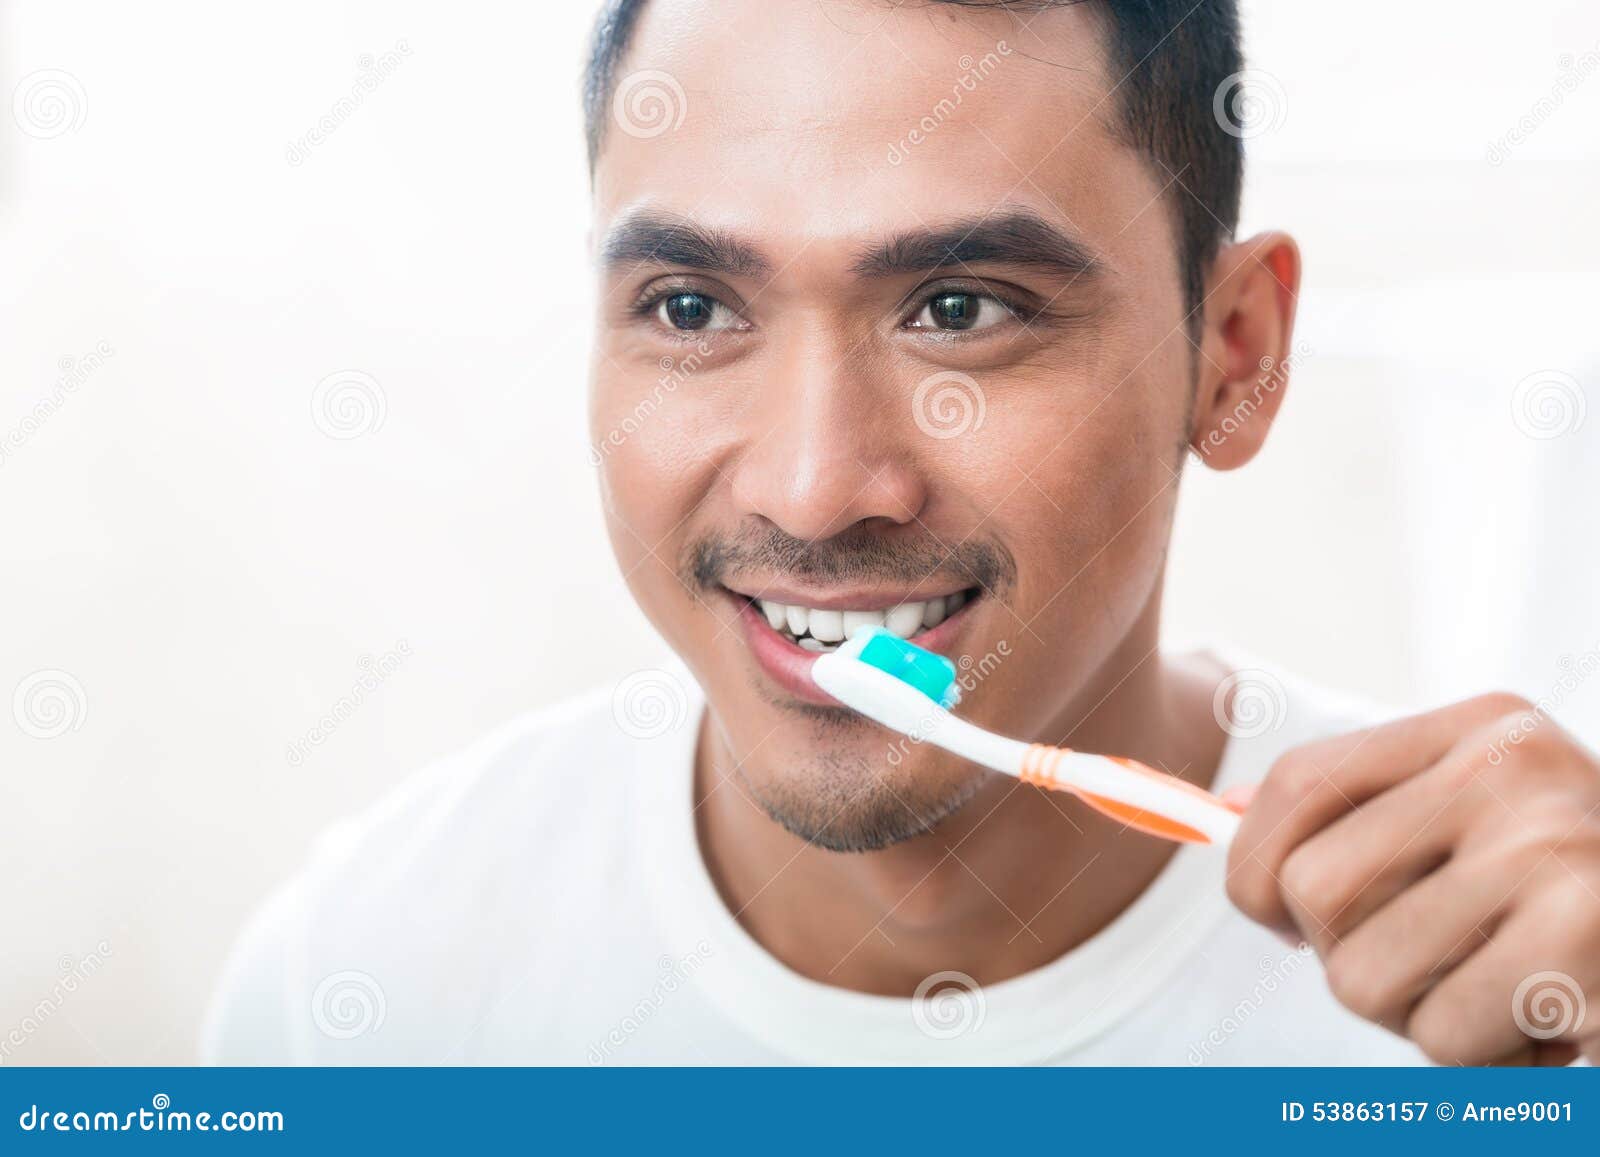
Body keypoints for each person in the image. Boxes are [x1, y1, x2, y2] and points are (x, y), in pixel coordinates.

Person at [204, 0, 1600, 1065]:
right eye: (691, 309)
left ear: (1234, 355)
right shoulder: (362, 991)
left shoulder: (1505, 1001)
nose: (813, 489)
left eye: (962, 308)